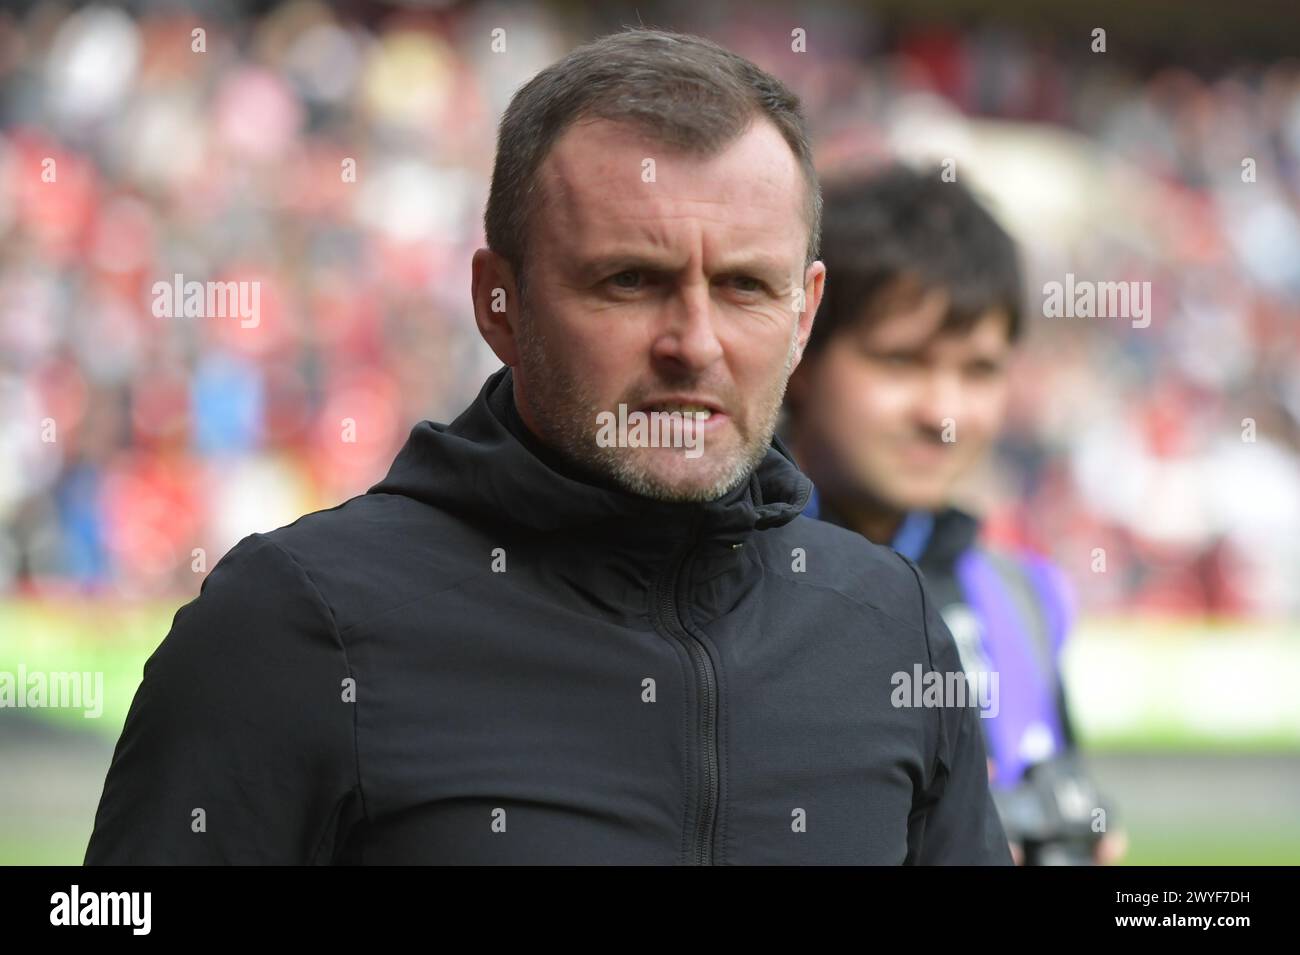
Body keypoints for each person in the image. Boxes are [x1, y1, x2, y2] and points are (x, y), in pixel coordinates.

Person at [85, 30, 1011, 865]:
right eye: (629, 280)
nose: (693, 341)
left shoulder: (889, 621)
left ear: (805, 313)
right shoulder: (296, 622)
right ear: (501, 302)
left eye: (743, 287)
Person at [783, 164, 1125, 865]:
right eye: (901, 361)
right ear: (800, 352)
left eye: (978, 370)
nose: (943, 414)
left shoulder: (1024, 597)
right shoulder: (718, 574)